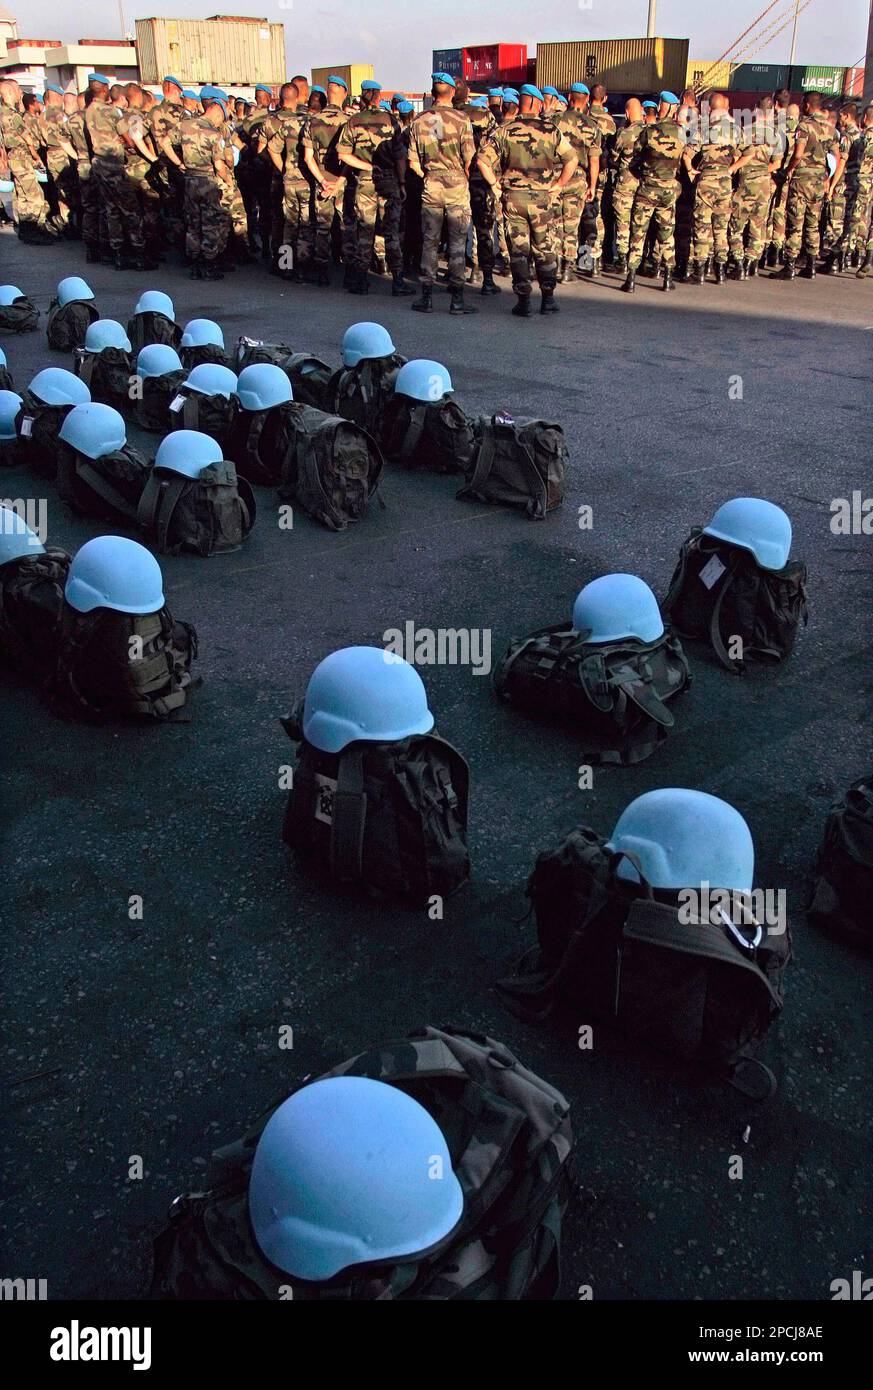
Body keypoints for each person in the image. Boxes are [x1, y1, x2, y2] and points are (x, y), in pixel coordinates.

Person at [476, 84, 578, 316]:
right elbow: (571, 159)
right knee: (544, 248)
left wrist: (495, 185)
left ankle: (523, 300)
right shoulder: (551, 131)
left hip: (513, 199)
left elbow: (482, 160)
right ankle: (548, 298)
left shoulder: (504, 130)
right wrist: (558, 185)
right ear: (535, 102)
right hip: (542, 199)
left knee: (519, 251)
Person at [408, 73, 475, 314]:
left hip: (431, 183)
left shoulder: (419, 120)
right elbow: (469, 158)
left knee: (430, 241)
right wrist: (461, 175)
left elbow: (412, 161)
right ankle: (457, 299)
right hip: (456, 183)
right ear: (452, 92)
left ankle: (426, 297)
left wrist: (427, 175)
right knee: (457, 242)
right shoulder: (462, 119)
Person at [337, 79, 408, 296]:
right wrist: (402, 182)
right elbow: (400, 156)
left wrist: (367, 166)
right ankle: (397, 281)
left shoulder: (353, 121)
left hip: (365, 182)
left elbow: (343, 155)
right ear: (378, 96)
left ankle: (360, 281)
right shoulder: (391, 120)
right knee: (391, 233)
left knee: (365, 232)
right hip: (389, 182)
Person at [622, 90, 688, 293]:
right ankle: (668, 279)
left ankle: (631, 279)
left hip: (648, 188)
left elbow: (634, 159)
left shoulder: (649, 132)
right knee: (667, 234)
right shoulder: (681, 133)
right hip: (668, 188)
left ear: (661, 107)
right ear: (675, 109)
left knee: (638, 233)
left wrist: (643, 174)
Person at [85, 73, 152, 270]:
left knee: (111, 210)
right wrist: (126, 141)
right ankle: (139, 254)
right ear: (104, 89)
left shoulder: (89, 111)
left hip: (98, 164)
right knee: (130, 210)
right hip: (113, 165)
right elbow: (130, 138)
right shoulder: (110, 111)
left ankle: (117, 253)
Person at [176, 87, 233, 280]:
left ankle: (194, 265)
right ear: (217, 110)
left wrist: (178, 163)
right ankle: (208, 265)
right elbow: (219, 165)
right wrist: (228, 181)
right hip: (207, 181)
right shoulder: (213, 133)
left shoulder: (185, 125)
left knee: (193, 223)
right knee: (210, 223)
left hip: (190, 179)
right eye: (221, 118)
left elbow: (166, 142)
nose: (220, 122)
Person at [780, 91, 838, 279]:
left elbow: (798, 154)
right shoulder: (830, 128)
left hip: (802, 181)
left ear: (806, 105)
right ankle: (811, 265)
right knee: (813, 224)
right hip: (820, 182)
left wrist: (789, 169)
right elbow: (836, 157)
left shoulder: (804, 125)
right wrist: (828, 177)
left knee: (796, 223)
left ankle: (789, 266)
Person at [687, 92, 742, 284]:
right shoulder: (735, 129)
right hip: (725, 182)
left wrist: (691, 171)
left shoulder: (703, 127)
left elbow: (687, 154)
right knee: (721, 227)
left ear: (709, 108)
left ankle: (699, 272)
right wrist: (731, 170)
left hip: (706, 181)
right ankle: (720, 272)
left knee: (702, 226)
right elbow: (746, 154)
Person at [302, 74, 351, 286]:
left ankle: (322, 272)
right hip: (342, 180)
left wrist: (322, 181)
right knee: (347, 225)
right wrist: (339, 181)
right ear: (345, 94)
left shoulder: (313, 121)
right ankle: (350, 273)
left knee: (322, 228)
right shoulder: (349, 122)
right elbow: (352, 157)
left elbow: (307, 157)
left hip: (321, 178)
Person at [727, 95, 780, 278]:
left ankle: (739, 262)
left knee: (736, 225)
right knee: (758, 225)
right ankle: (751, 262)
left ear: (755, 110)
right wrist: (763, 171)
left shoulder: (744, 132)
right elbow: (778, 163)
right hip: (764, 184)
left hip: (745, 183)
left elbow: (735, 157)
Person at [554, 82, 600, 282]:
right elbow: (594, 159)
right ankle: (567, 268)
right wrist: (592, 185)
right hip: (578, 178)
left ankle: (554, 266)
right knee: (572, 226)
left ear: (569, 99)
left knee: (556, 224)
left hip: (556, 176)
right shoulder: (592, 126)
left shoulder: (555, 120)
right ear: (587, 100)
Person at [0, 78, 51, 243]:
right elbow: (27, 137)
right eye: (16, 91)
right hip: (21, 157)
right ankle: (35, 229)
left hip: (13, 157)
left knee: (22, 196)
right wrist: (36, 156)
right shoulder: (12, 114)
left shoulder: (1, 113)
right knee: (34, 195)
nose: (18, 94)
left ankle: (26, 230)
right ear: (8, 93)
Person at [463, 93, 500, 292]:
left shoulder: (456, 116)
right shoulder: (487, 117)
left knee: (458, 231)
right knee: (484, 230)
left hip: (458, 180)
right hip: (481, 180)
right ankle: (486, 278)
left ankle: (459, 274)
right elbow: (495, 148)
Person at [611, 96, 644, 272]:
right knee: (639, 222)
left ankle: (622, 259)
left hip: (625, 183)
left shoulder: (624, 133)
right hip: (644, 184)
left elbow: (614, 156)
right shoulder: (650, 132)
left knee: (622, 221)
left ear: (626, 113)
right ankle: (637, 257)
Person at [587, 83, 616, 273]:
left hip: (584, 172)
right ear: (604, 99)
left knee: (586, 217)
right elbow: (613, 150)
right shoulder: (609, 121)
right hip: (602, 173)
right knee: (602, 215)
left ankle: (586, 258)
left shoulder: (585, 118)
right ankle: (601, 259)